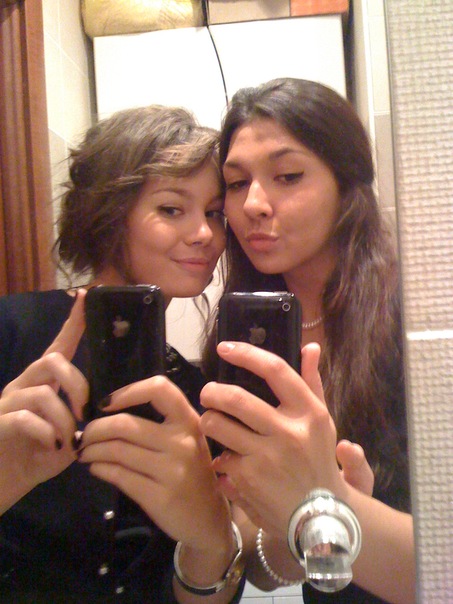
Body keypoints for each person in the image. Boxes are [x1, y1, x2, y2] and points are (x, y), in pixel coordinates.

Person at [0, 105, 243, 604]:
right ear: (109, 212)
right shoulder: (13, 330)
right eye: (172, 209)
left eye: (214, 213)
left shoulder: (196, 394)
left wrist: (212, 538)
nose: (205, 233)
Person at [199, 78, 415, 604]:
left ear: (347, 182)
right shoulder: (243, 337)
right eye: (235, 183)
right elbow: (261, 567)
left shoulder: (418, 317)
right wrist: (294, 525)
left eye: (288, 176)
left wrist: (333, 505)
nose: (253, 203)